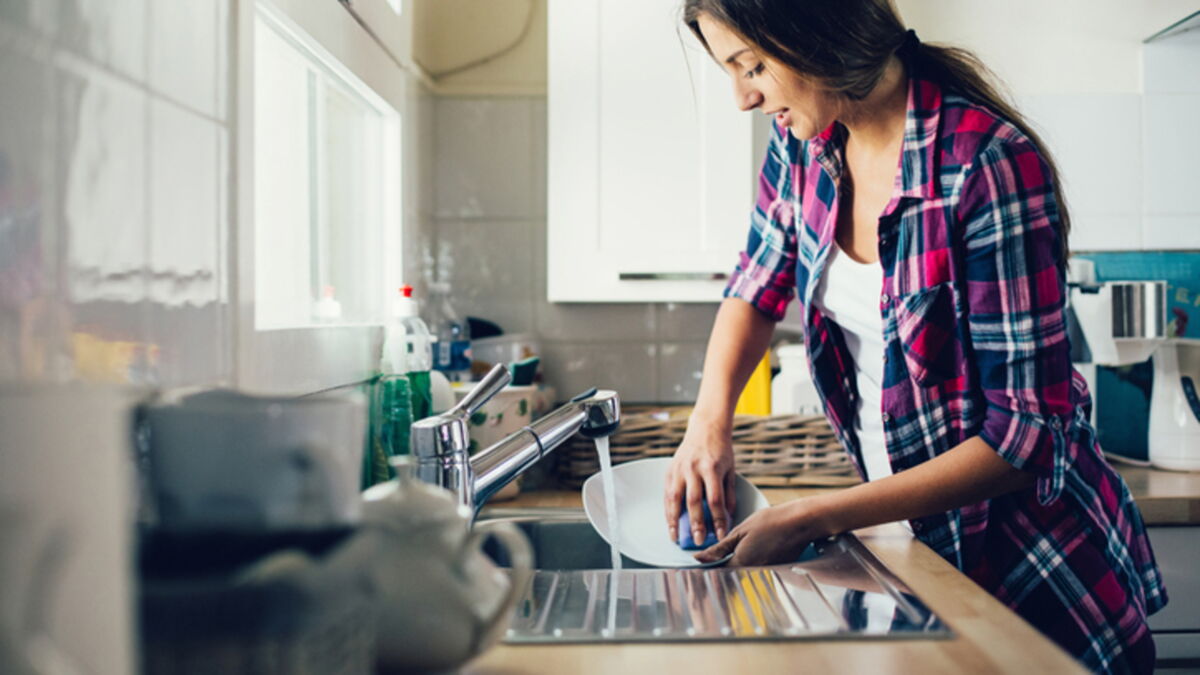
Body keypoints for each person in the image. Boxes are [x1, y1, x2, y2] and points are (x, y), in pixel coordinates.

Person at [662, 1, 1166, 672]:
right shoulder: (806, 143)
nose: (742, 97)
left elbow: (1025, 437)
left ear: (818, 33)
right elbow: (758, 284)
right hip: (910, 558)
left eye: (753, 66)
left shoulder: (987, 165)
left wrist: (818, 516)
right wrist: (708, 422)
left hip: (1038, 581)